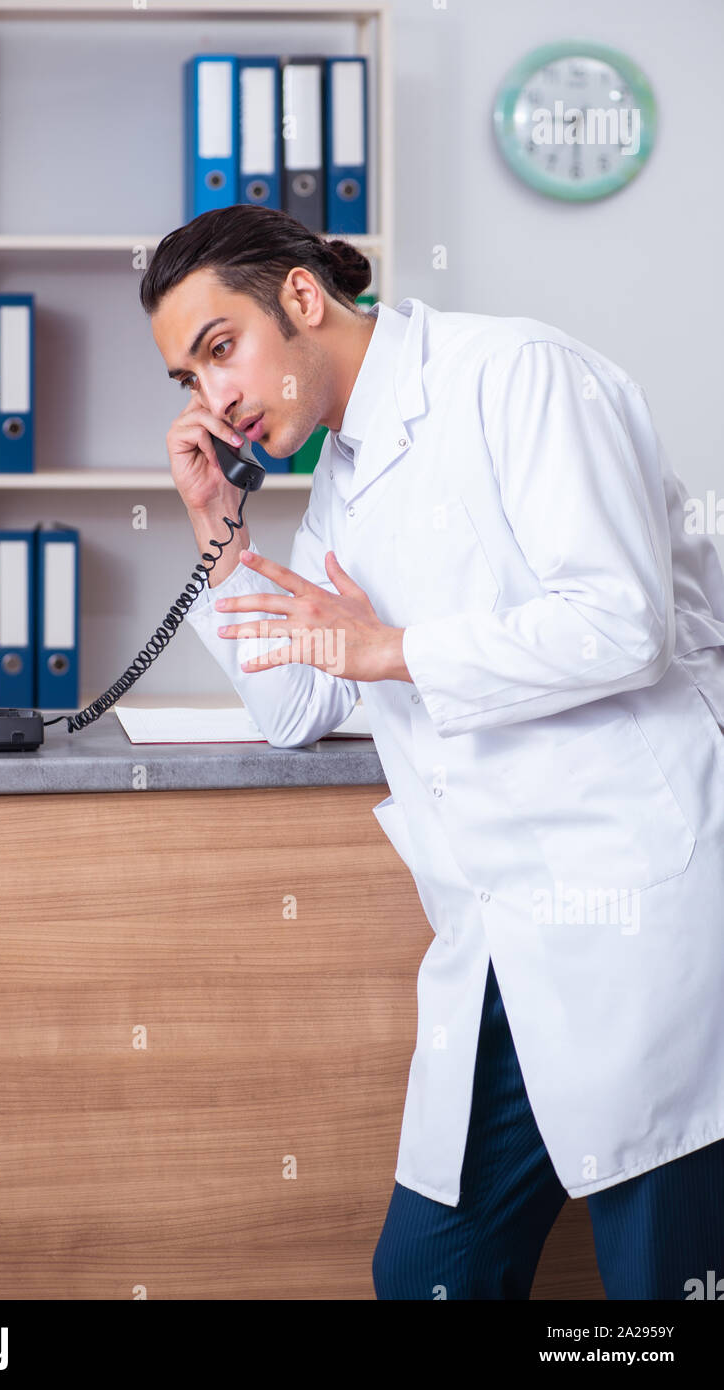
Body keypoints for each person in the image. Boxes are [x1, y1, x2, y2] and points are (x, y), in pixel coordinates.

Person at [140, 204, 724, 1300]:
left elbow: (620, 621)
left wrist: (393, 647)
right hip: (498, 940)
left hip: (636, 920)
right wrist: (220, 524)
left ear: (301, 299)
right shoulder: (342, 481)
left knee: (664, 1291)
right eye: (187, 378)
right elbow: (298, 701)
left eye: (221, 349)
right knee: (427, 1277)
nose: (212, 395)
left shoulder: (518, 375)